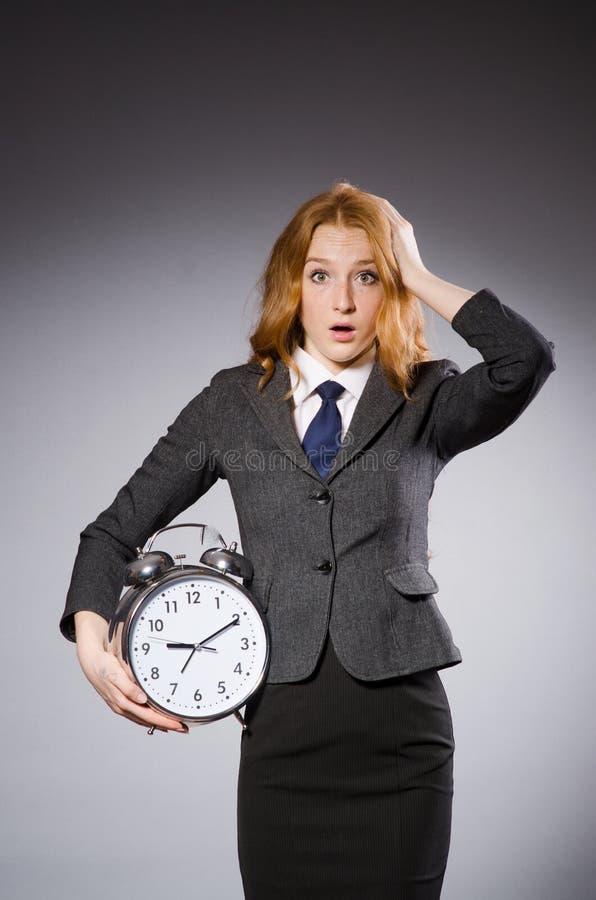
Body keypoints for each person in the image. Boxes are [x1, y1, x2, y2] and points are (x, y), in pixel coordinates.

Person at [60, 181, 556, 899]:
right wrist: (92, 647)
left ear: (389, 289)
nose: (343, 302)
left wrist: (414, 270)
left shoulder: (428, 397)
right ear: (293, 285)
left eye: (368, 277)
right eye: (321, 276)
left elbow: (524, 361)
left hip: (402, 737)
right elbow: (111, 533)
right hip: (282, 733)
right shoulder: (232, 404)